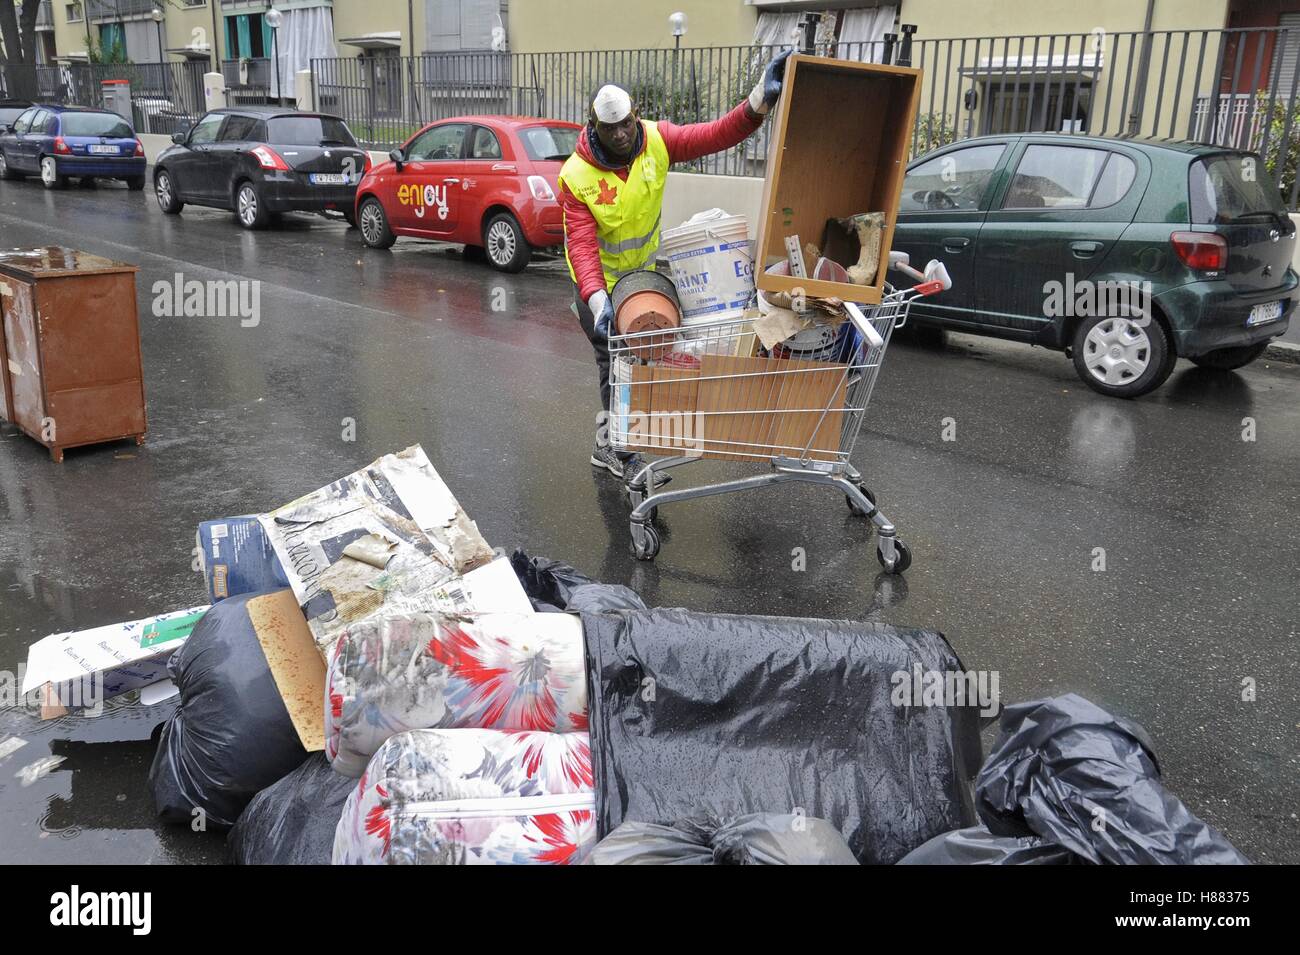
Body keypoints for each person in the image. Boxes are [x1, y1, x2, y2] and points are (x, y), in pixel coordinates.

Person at [559, 50, 792, 482]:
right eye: (610, 129)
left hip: (641, 277)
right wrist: (596, 301)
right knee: (615, 361)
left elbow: (716, 134)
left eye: (626, 123)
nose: (622, 134)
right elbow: (582, 247)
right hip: (600, 286)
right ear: (594, 128)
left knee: (643, 359)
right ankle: (617, 450)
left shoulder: (657, 140)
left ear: (636, 116)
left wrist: (759, 100)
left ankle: (613, 440)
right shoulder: (577, 176)